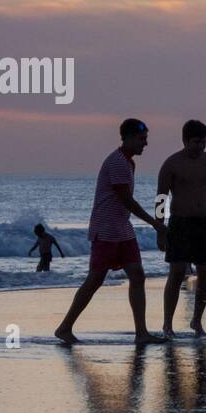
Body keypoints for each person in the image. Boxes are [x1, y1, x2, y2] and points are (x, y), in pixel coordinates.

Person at [55, 119, 167, 345]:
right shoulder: (117, 162)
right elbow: (126, 199)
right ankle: (64, 327)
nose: (145, 144)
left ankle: (141, 333)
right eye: (141, 139)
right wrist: (154, 222)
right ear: (127, 138)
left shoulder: (128, 163)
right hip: (106, 229)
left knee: (137, 275)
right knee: (95, 280)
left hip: (122, 228)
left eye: (145, 139)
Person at [157, 119, 206, 338]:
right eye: (196, 142)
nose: (200, 146)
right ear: (184, 140)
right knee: (177, 273)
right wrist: (160, 229)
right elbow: (161, 198)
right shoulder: (171, 164)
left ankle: (196, 321)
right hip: (180, 224)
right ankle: (167, 325)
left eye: (203, 142)